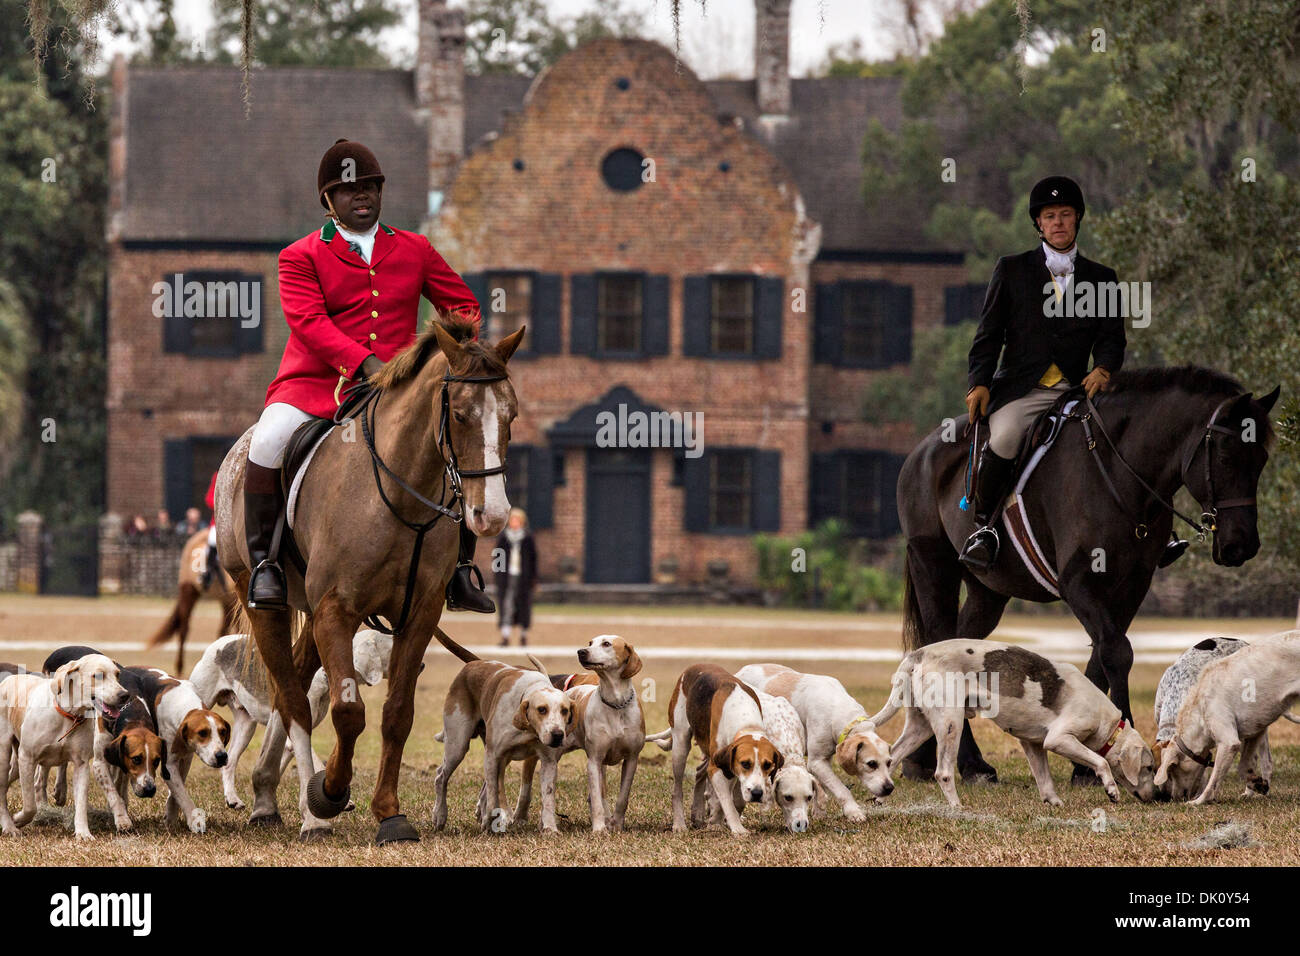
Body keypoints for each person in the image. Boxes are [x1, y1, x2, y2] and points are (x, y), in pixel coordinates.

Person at [242, 138, 494, 612]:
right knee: (268, 440)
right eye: (349, 189)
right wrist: (363, 363)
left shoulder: (415, 248)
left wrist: (446, 350)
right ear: (328, 201)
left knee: (453, 443)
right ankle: (265, 564)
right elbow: (309, 322)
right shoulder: (300, 255)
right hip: (315, 385)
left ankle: (459, 569)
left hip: (396, 389)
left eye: (371, 187)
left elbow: (465, 307)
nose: (363, 196)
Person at [960, 176, 1126, 571]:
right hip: (1023, 390)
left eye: (1065, 214)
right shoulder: (1012, 270)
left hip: (1077, 389)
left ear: (1077, 219)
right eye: (1050, 216)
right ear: (1038, 223)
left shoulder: (1102, 278)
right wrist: (979, 382)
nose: (1058, 222)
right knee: (1003, 437)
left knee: (1124, 436)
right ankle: (984, 528)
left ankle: (1149, 531)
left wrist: (1103, 368)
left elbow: (1111, 338)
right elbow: (989, 334)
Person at [494, 508, 538, 647]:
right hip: (507, 578)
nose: (515, 522)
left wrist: (534, 578)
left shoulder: (528, 538)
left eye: (517, 520)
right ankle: (505, 636)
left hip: (523, 577)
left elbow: (533, 559)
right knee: (506, 605)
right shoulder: (503, 538)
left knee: (524, 605)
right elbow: (498, 556)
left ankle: (523, 636)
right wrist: (498, 576)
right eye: (512, 520)